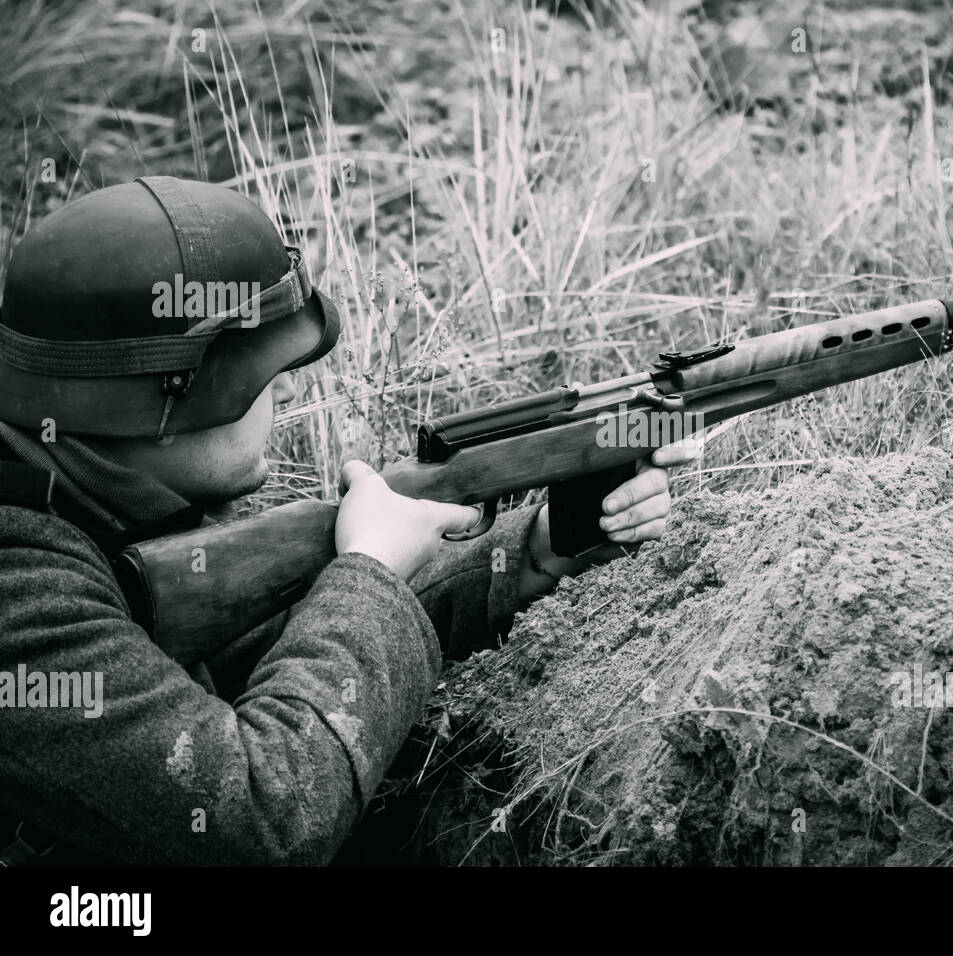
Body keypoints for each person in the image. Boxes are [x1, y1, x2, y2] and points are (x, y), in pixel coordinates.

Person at [0, 176, 696, 865]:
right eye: (266, 369)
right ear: (167, 402)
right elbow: (265, 820)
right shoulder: (22, 598)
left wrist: (536, 550)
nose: (292, 384)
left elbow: (248, 653)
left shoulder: (90, 499)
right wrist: (368, 572)